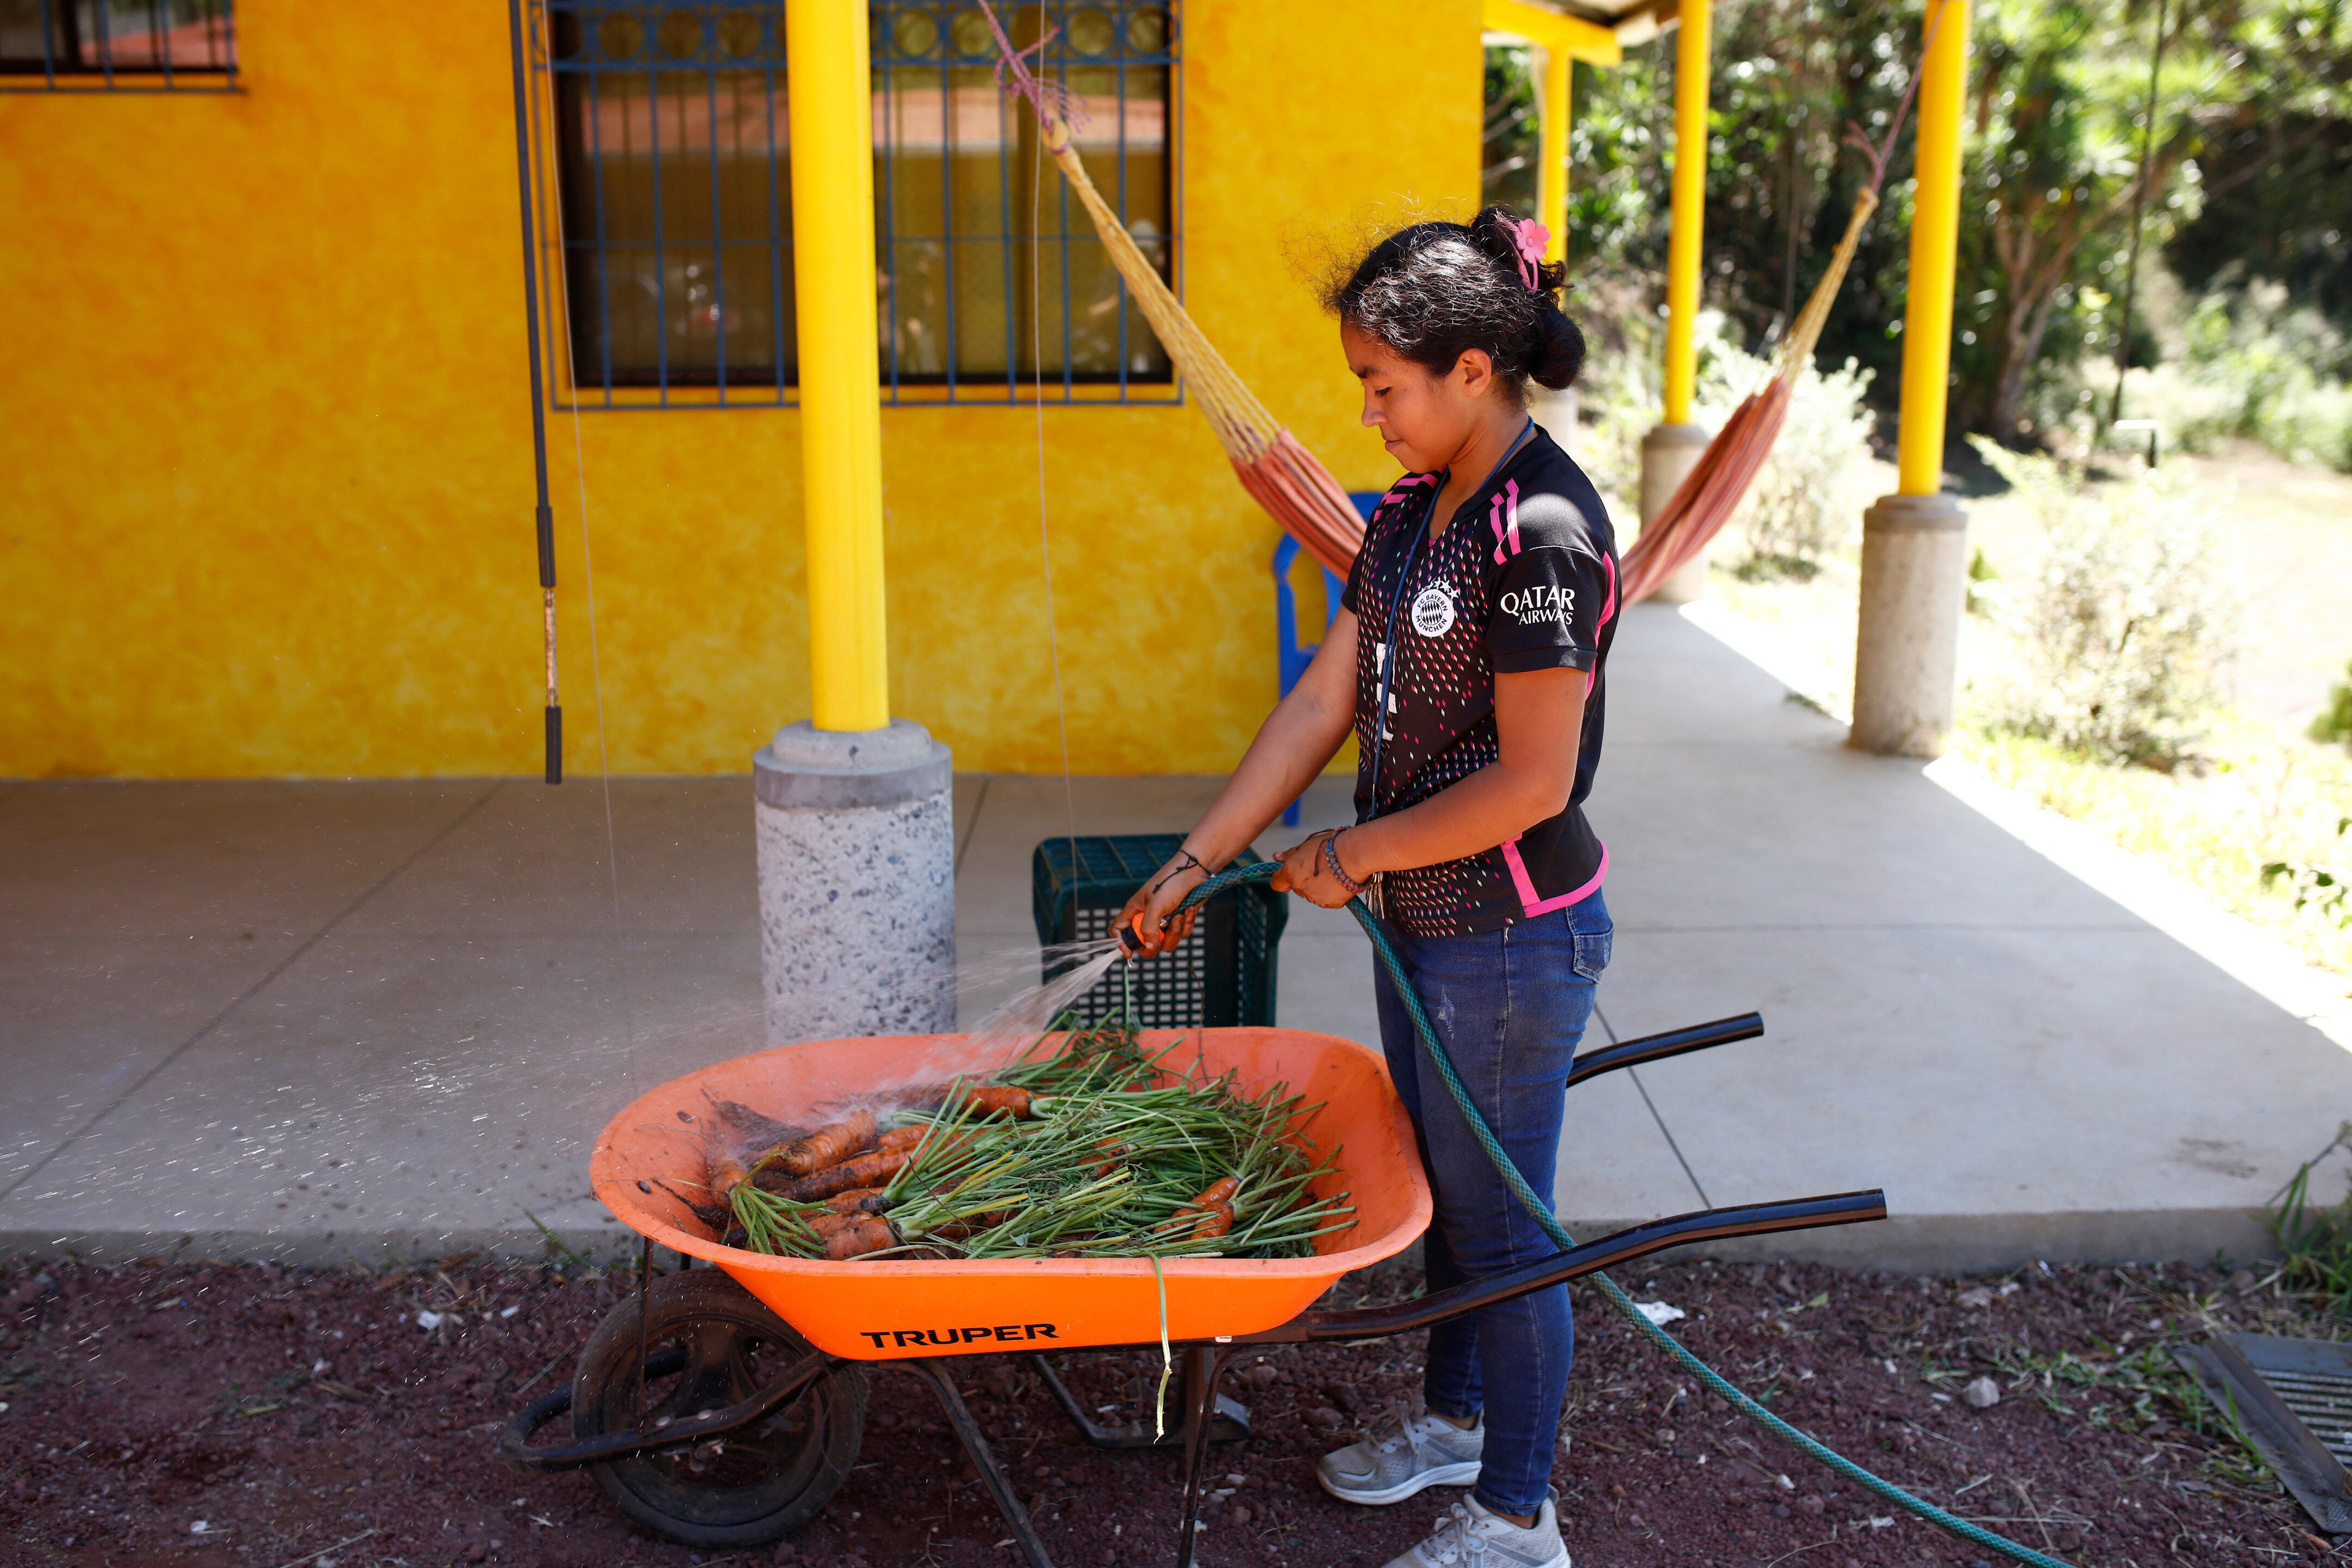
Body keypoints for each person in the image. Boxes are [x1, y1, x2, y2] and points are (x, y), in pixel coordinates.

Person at [1117, 206, 1617, 1568]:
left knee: (1507, 1230)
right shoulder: (1405, 516)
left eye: (1384, 386)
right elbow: (1318, 704)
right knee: (1459, 1194)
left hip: (1511, 940)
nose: (1370, 413)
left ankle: (1517, 1521)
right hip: (1429, 930)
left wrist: (1352, 854)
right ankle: (1459, 1422)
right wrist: (1198, 855)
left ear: (1473, 370)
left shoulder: (1542, 529)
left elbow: (1533, 781)